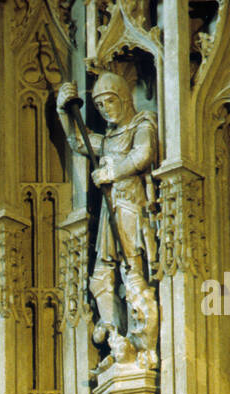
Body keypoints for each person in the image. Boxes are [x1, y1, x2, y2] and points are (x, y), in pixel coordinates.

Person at [56, 71, 159, 360]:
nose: (104, 109)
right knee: (101, 274)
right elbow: (79, 142)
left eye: (109, 102)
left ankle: (144, 340)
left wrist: (112, 172)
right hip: (110, 210)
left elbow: (144, 153)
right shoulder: (110, 138)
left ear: (124, 99)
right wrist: (62, 109)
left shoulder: (143, 123)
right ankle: (114, 330)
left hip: (130, 207)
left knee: (132, 269)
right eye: (99, 105)